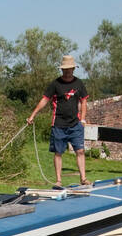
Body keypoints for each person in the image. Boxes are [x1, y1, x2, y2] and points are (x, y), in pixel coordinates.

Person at [26, 55, 90, 187]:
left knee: (80, 151)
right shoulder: (55, 84)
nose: (67, 72)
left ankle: (83, 179)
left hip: (75, 124)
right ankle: (59, 180)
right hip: (58, 124)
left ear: (73, 69)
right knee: (58, 152)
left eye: (69, 69)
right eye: (65, 70)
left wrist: (83, 119)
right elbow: (45, 99)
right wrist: (33, 115)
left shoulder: (79, 83)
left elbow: (84, 101)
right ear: (62, 70)